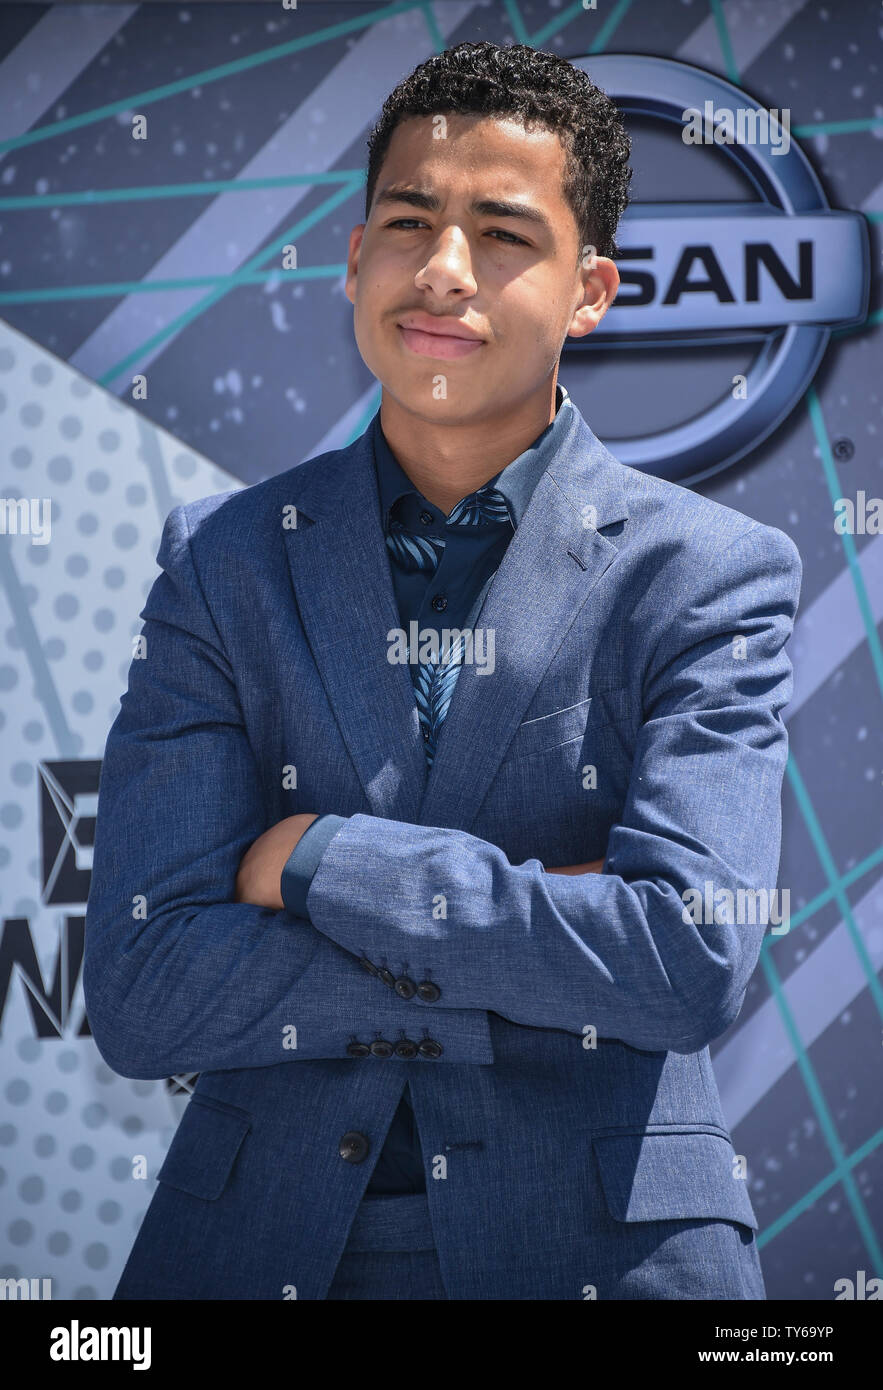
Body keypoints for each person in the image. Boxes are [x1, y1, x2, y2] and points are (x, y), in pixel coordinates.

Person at [85, 40, 801, 1300]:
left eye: (503, 233)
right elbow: (147, 991)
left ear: (592, 291)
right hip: (250, 1254)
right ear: (355, 260)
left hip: (608, 1257)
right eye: (409, 221)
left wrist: (313, 859)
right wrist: (534, 939)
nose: (444, 271)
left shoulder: (711, 571)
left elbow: (684, 957)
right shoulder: (224, 560)